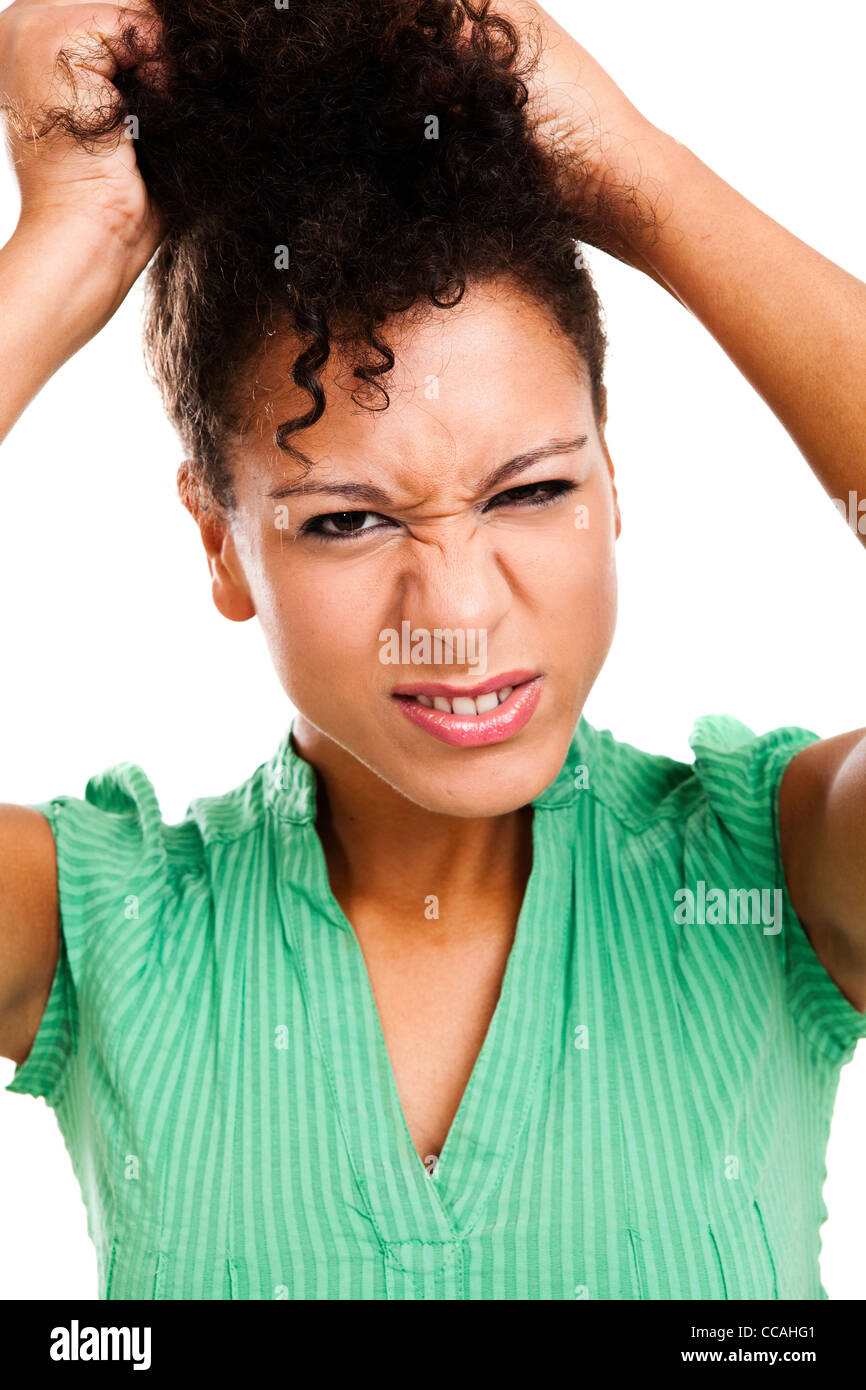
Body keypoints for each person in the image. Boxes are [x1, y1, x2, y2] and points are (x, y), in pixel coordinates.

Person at [1, 0, 864, 1301]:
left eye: (528, 492)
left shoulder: (768, 875)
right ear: (222, 543)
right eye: (346, 519)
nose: (455, 612)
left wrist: (642, 178)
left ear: (612, 479)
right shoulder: (97, 925)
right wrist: (67, 247)